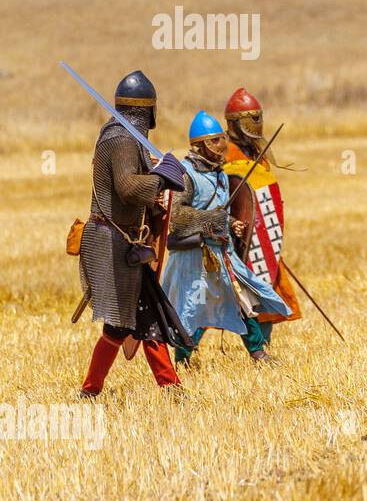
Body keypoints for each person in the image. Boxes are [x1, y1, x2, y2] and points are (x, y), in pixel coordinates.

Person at [77, 70, 189, 396]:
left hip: (123, 241)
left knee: (136, 318)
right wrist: (161, 178)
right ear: (147, 110)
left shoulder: (124, 136)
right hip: (113, 241)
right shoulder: (122, 139)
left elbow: (133, 185)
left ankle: (96, 390)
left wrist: (155, 178)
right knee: (132, 319)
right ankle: (96, 389)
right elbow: (127, 188)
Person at [161, 111, 291, 364]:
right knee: (193, 307)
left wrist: (232, 223)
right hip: (196, 255)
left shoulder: (219, 173)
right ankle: (183, 358)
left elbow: (221, 211)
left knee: (242, 299)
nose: (221, 146)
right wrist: (215, 219)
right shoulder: (186, 173)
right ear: (201, 145)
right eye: (215, 141)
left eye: (221, 139)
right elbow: (177, 216)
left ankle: (257, 352)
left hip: (222, 251)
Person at [223, 88, 301, 347]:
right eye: (251, 118)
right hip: (231, 237)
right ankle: (185, 354)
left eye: (258, 117)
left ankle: (262, 347)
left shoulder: (259, 152)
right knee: (211, 297)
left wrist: (267, 236)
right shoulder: (224, 151)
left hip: (259, 238)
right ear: (235, 123)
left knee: (268, 290)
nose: (256, 123)